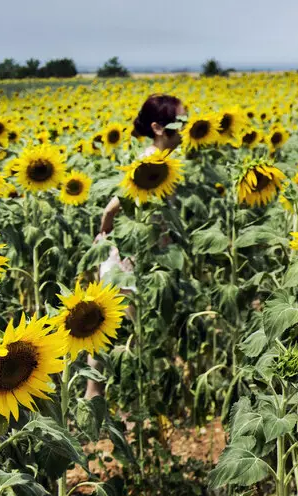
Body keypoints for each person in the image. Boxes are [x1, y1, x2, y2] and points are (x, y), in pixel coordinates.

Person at [86, 93, 185, 399]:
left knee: (129, 331)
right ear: (158, 127)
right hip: (126, 261)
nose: (184, 129)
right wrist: (104, 233)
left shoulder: (165, 162)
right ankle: (98, 396)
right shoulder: (148, 161)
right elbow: (113, 205)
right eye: (178, 122)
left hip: (142, 256)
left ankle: (114, 397)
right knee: (114, 332)